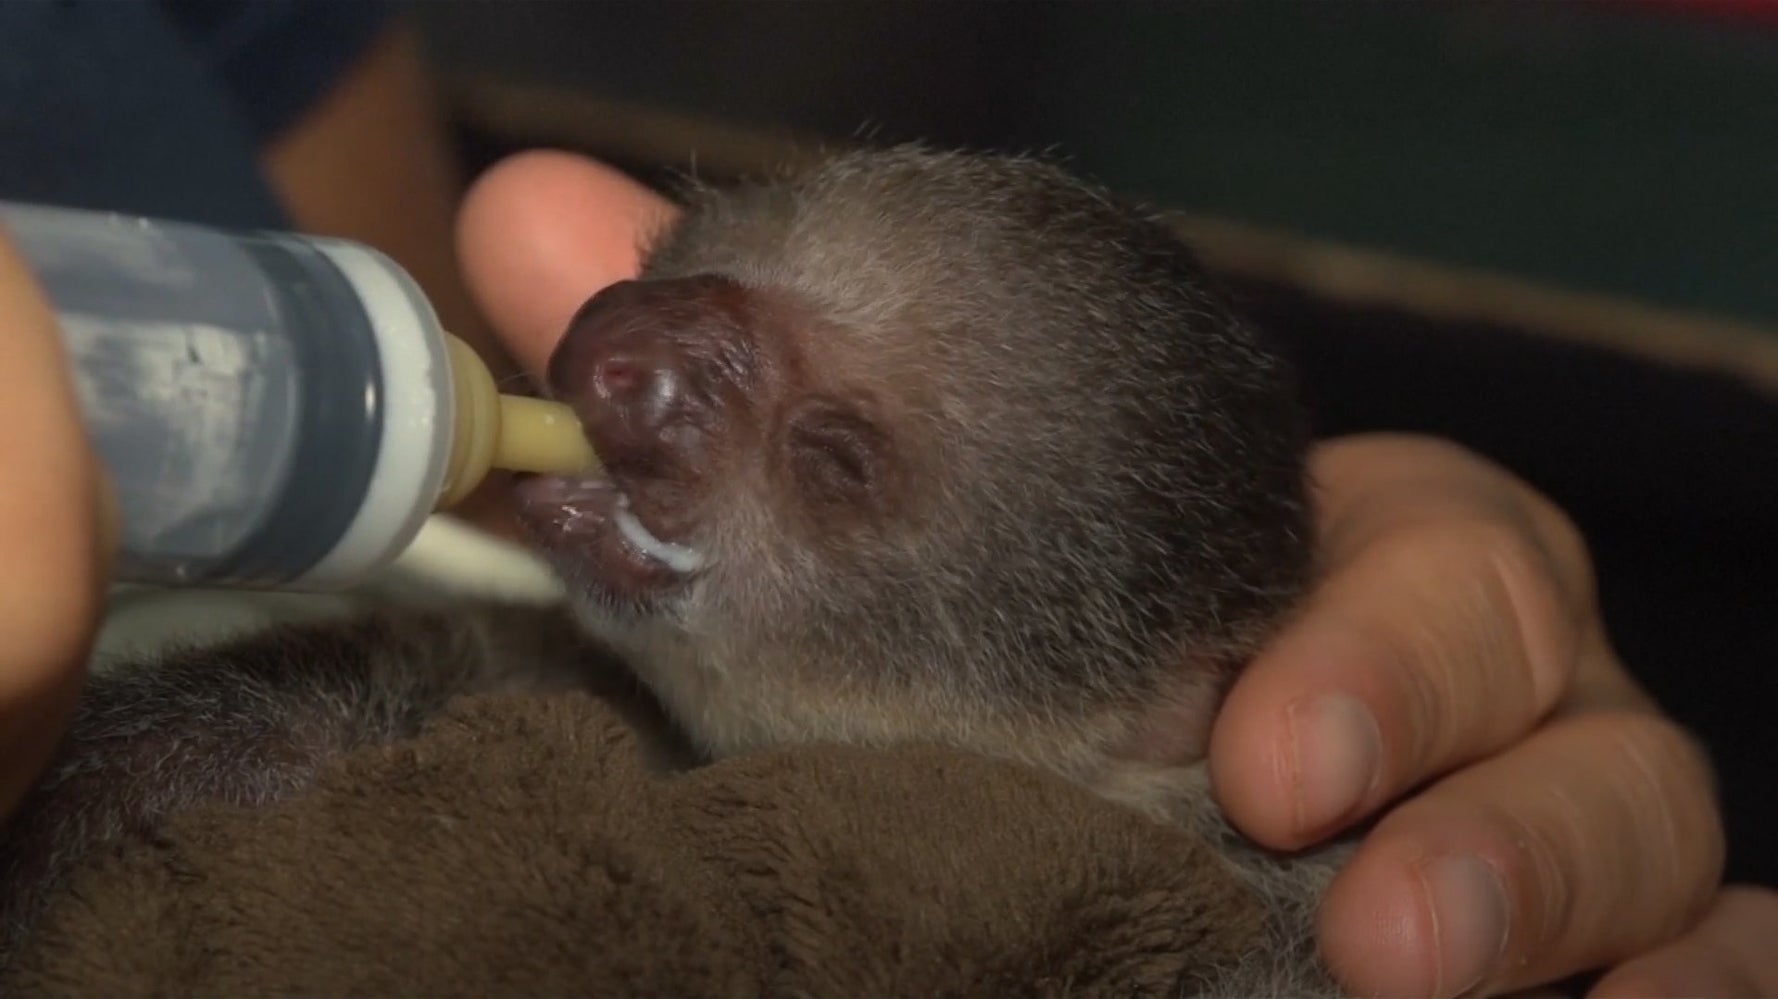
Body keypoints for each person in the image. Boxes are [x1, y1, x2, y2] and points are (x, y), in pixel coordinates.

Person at [1, 3, 1772, 995]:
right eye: (704, 266)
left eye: (835, 461)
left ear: (1157, 708)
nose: (619, 365)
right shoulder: (513, 676)